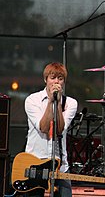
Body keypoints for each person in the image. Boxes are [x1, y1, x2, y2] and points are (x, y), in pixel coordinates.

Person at [24, 62, 78, 196]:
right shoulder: (32, 100)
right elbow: (43, 127)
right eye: (52, 78)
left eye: (60, 78)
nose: (56, 82)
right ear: (45, 80)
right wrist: (50, 101)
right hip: (35, 161)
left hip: (60, 164)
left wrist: (58, 103)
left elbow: (59, 130)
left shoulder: (70, 103)